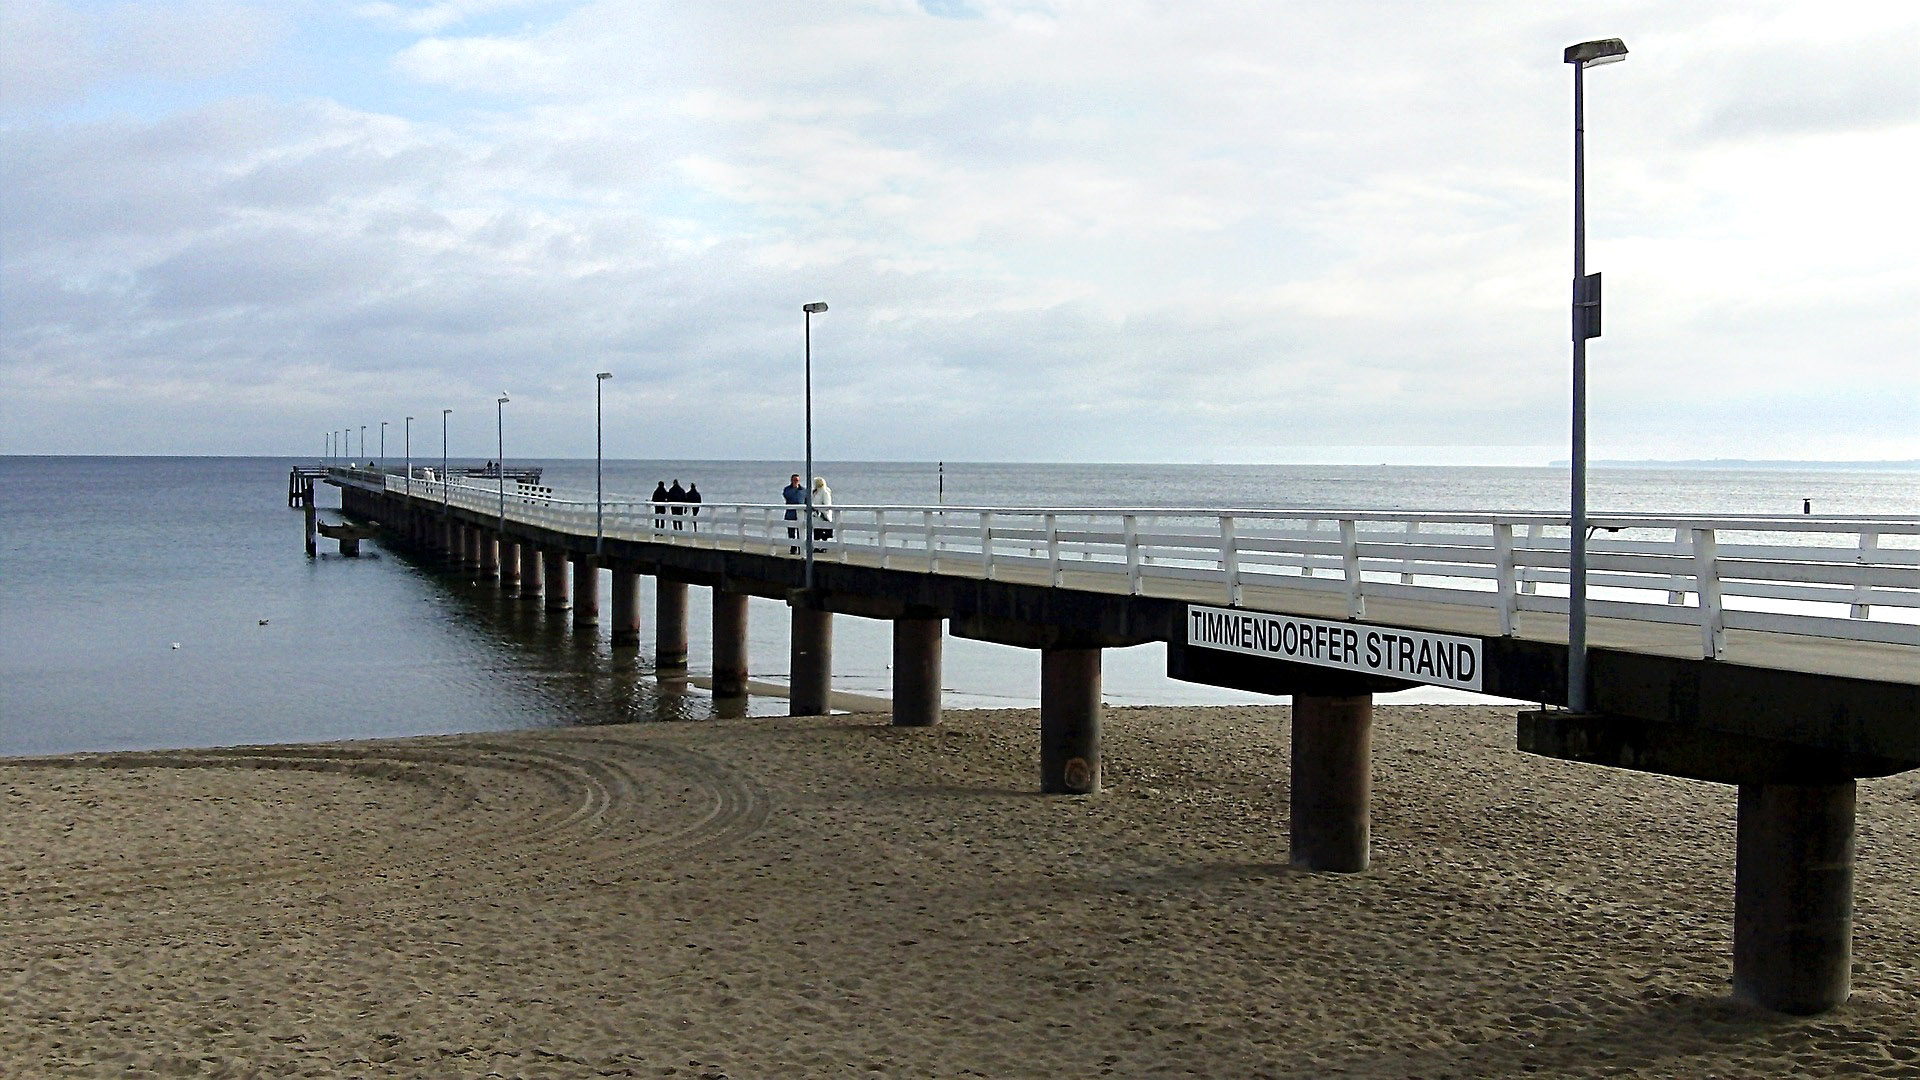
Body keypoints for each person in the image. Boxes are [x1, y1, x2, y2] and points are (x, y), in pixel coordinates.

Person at [782, 473, 805, 553]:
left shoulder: (803, 490)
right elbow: (788, 497)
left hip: (800, 514)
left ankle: (800, 548)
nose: (796, 481)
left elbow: (806, 500)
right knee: (791, 532)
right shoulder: (787, 489)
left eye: (797, 480)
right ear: (791, 480)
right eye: (794, 480)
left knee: (800, 532)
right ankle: (793, 547)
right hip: (790, 513)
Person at [810, 475, 834, 545]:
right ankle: (817, 545)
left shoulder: (825, 491)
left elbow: (827, 504)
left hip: (823, 515)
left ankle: (823, 546)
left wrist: (821, 511)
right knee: (817, 531)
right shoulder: (815, 492)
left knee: (823, 531)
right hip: (816, 515)